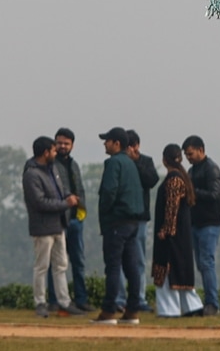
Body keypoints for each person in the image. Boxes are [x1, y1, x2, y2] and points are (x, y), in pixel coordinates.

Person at [93, 127, 145, 325]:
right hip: (133, 222)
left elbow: (109, 191)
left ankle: (108, 311)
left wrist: (105, 212)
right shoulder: (131, 163)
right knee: (132, 268)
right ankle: (132, 310)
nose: (105, 144)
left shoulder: (113, 163)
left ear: (117, 143)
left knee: (113, 267)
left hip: (116, 221)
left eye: (107, 141)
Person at [23, 135, 78, 318]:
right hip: (43, 227)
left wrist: (68, 198)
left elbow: (61, 191)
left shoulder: (52, 168)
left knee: (61, 265)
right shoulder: (32, 174)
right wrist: (65, 204)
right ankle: (40, 302)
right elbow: (39, 202)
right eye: (54, 150)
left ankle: (64, 301)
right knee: (41, 266)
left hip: (58, 225)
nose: (56, 152)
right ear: (46, 152)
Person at [151, 143, 204, 318]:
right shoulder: (181, 177)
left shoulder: (173, 180)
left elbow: (171, 208)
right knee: (180, 271)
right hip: (181, 234)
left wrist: (166, 230)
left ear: (164, 160)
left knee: (168, 271)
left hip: (171, 236)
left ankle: (169, 310)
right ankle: (192, 307)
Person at [112, 129, 160, 317]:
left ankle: (138, 299)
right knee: (118, 260)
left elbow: (151, 180)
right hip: (120, 218)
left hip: (140, 219)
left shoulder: (145, 161)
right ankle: (119, 299)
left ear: (137, 146)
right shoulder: (118, 163)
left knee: (138, 261)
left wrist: (137, 161)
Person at [51, 128, 93, 314]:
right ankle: (54, 300)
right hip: (59, 219)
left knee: (78, 261)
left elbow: (80, 188)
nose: (62, 146)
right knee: (57, 262)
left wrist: (81, 209)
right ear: (55, 143)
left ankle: (81, 299)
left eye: (66, 143)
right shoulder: (51, 165)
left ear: (72, 145)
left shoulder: (74, 164)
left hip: (76, 219)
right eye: (60, 143)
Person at [184, 135, 220, 317]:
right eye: (186, 155)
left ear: (201, 150)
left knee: (207, 262)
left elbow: (215, 194)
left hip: (210, 223)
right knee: (201, 264)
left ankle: (212, 303)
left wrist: (193, 192)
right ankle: (207, 301)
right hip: (196, 223)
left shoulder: (211, 169)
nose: (189, 158)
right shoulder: (192, 171)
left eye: (191, 154)